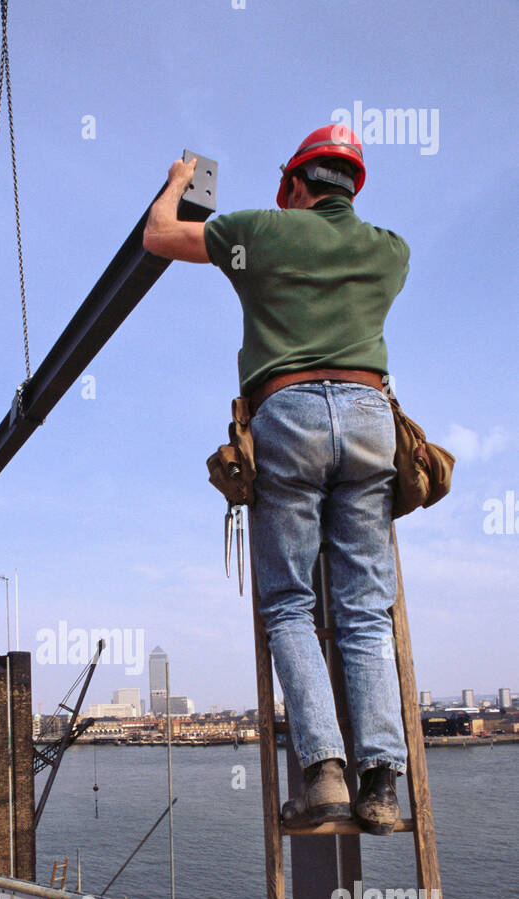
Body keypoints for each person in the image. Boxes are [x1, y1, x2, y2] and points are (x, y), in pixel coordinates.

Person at [143, 126, 410, 835]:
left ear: (296, 183)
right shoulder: (390, 250)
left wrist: (176, 181)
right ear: (351, 186)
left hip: (286, 415)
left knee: (289, 603)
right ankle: (383, 784)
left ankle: (323, 771)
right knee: (363, 611)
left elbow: (161, 237)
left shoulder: (260, 232)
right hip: (368, 416)